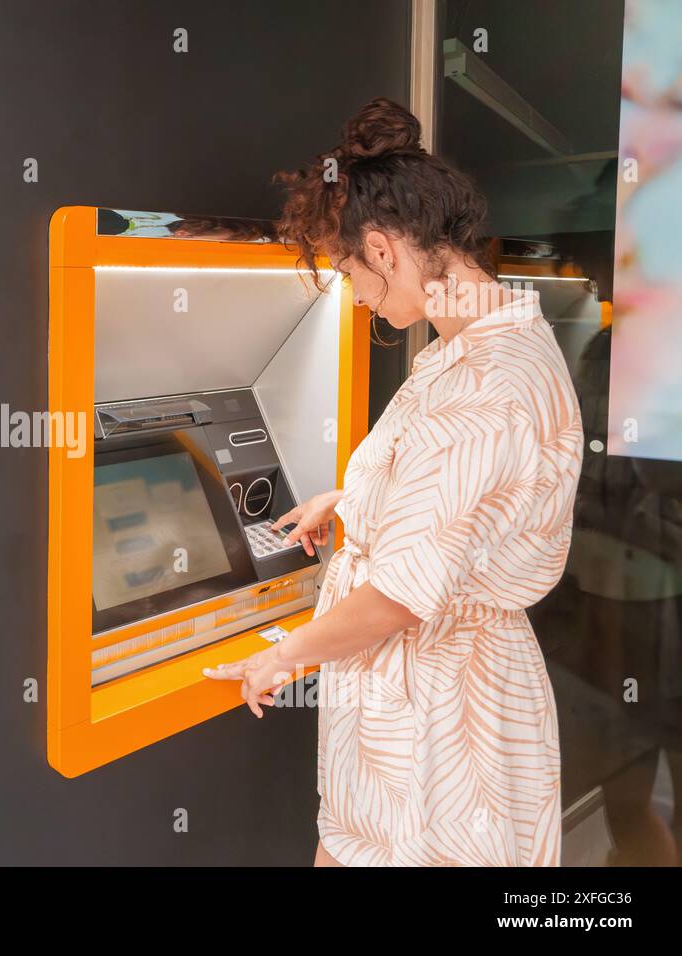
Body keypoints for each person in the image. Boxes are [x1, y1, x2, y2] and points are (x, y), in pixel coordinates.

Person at [203, 98, 584, 867]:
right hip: (440, 704)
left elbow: (403, 597)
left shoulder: (481, 386)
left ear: (381, 250)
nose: (357, 294)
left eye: (347, 271)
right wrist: (357, 501)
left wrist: (284, 654)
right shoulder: (490, 340)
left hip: (437, 727)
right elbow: (476, 498)